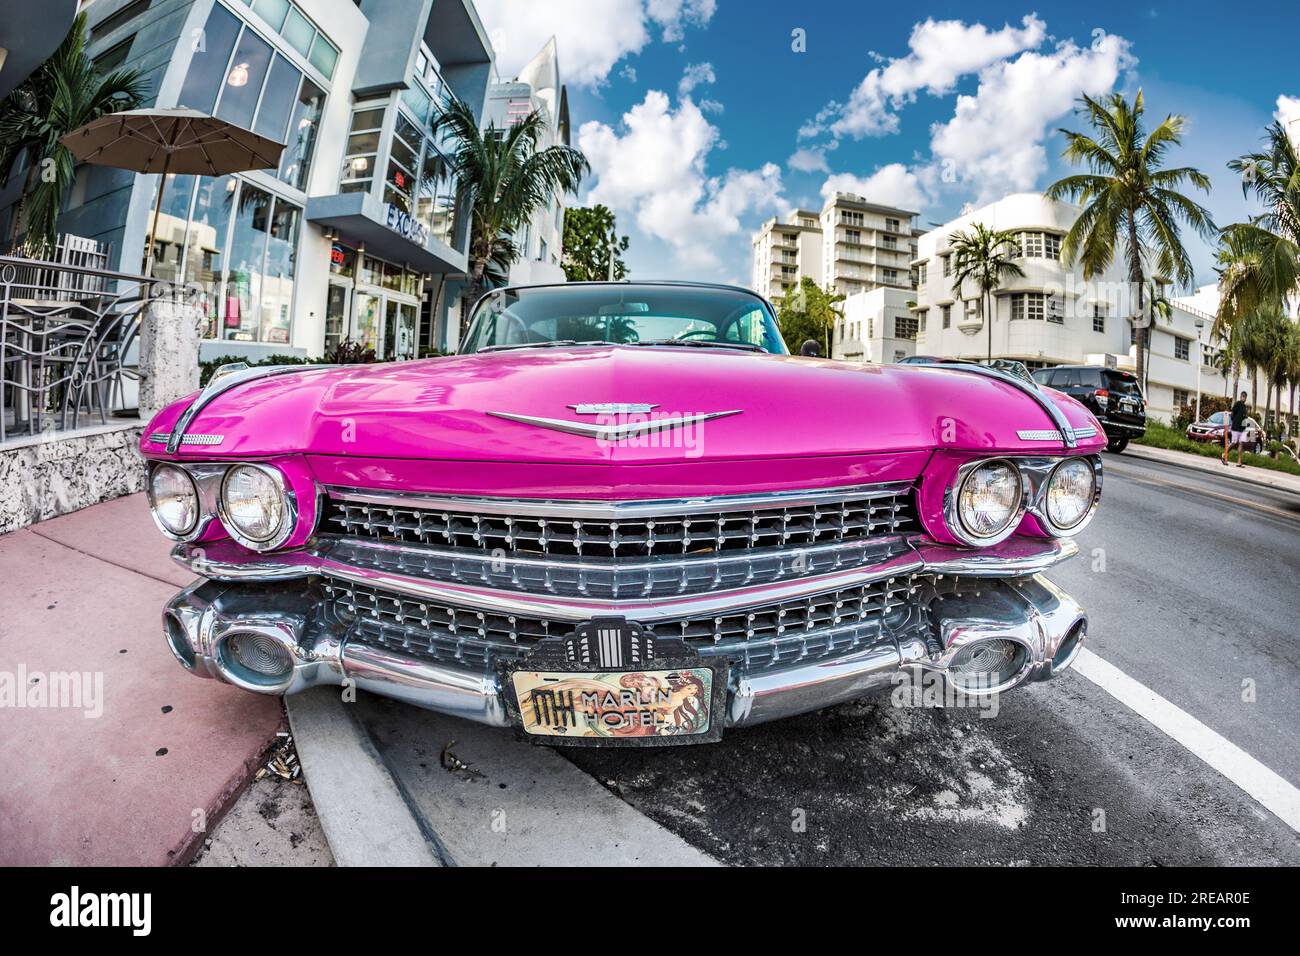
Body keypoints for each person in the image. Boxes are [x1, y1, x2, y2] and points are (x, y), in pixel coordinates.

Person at [1224, 391, 1249, 467]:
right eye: (1243, 396)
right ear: (1240, 396)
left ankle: (1239, 462)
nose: (1244, 398)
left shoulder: (1245, 407)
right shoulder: (1237, 404)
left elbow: (1244, 417)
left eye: (1245, 396)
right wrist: (1234, 422)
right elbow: (1232, 414)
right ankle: (1224, 455)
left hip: (1242, 429)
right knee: (1234, 443)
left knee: (1241, 443)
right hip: (1235, 427)